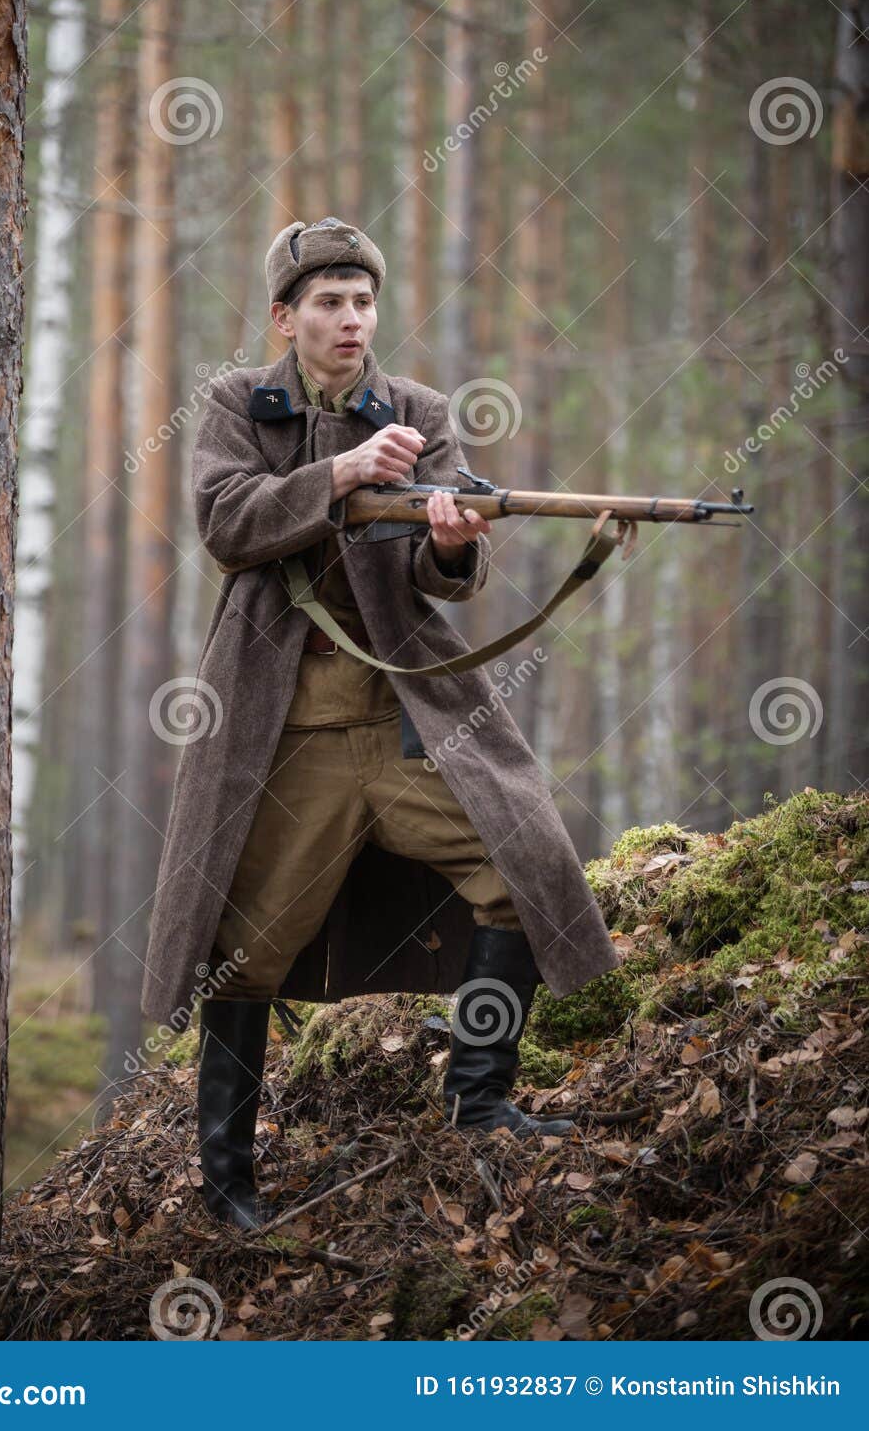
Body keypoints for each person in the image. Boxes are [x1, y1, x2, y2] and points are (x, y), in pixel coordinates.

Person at [140, 216, 619, 1229]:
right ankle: (227, 1182)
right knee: (245, 952)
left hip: (405, 713)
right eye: (327, 302)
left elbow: (450, 570)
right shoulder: (238, 404)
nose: (350, 318)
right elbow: (227, 523)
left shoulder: (418, 410)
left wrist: (447, 539)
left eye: (362, 301)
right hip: (288, 725)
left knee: (524, 863)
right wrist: (344, 475)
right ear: (285, 317)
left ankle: (479, 1101)